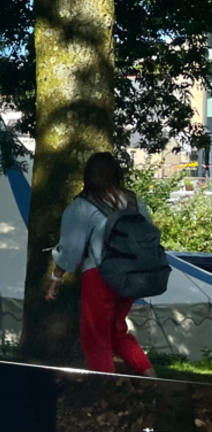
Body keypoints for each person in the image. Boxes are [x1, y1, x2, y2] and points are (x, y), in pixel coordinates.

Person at [48, 152, 158, 376]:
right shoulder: (135, 201)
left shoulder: (83, 205)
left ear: (88, 176)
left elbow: (71, 249)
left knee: (95, 337)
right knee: (117, 331)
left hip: (100, 275)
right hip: (132, 275)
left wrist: (55, 279)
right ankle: (152, 379)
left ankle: (103, 391)